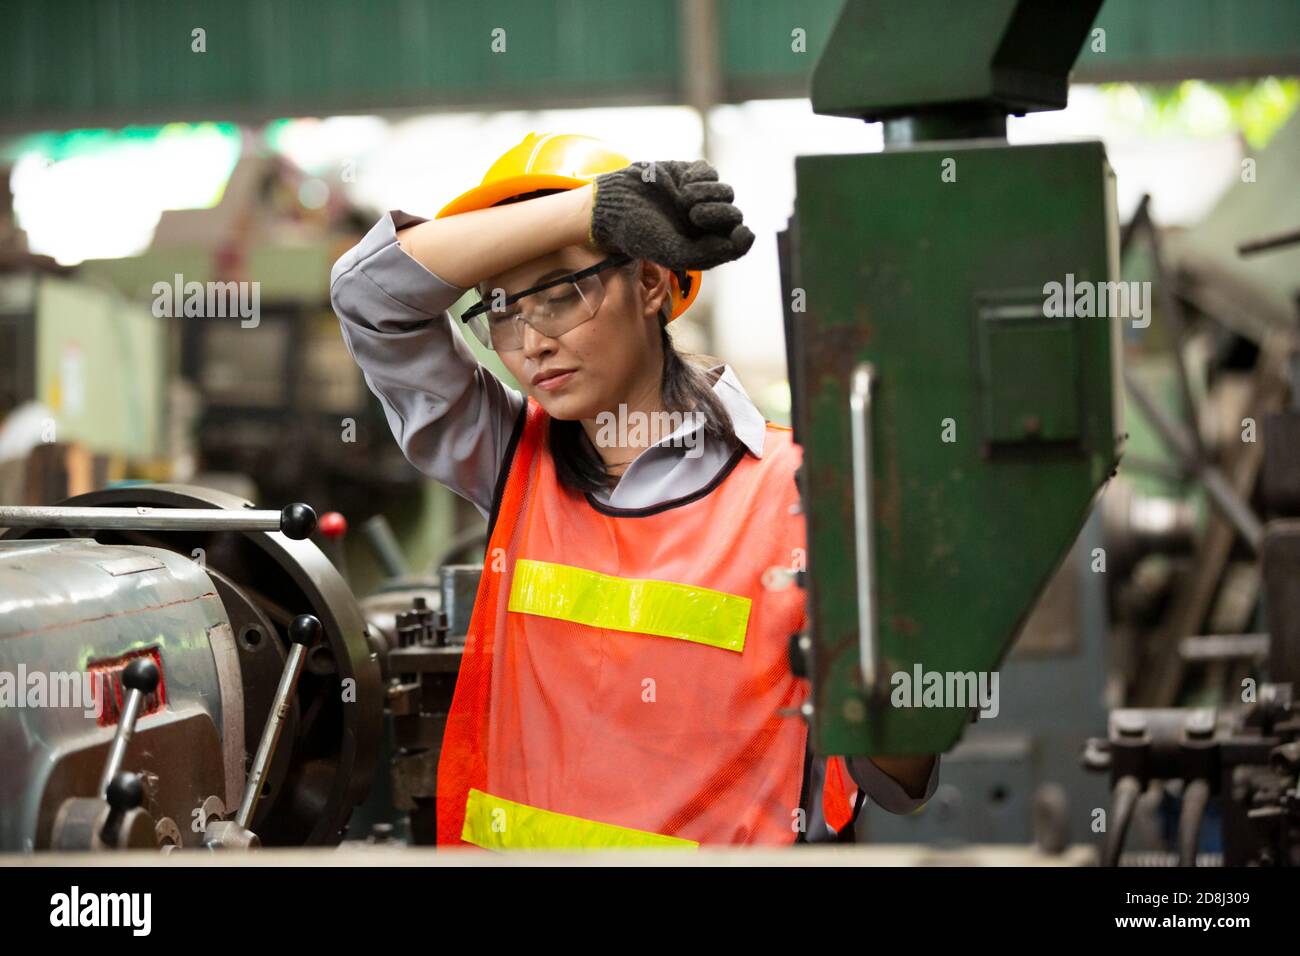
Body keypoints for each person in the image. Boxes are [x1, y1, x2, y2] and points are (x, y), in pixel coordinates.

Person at [330, 131, 939, 848]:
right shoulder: (511, 460)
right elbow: (367, 295)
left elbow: (895, 780)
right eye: (500, 307)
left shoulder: (799, 492)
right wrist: (590, 213)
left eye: (559, 295)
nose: (529, 343)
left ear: (651, 284)